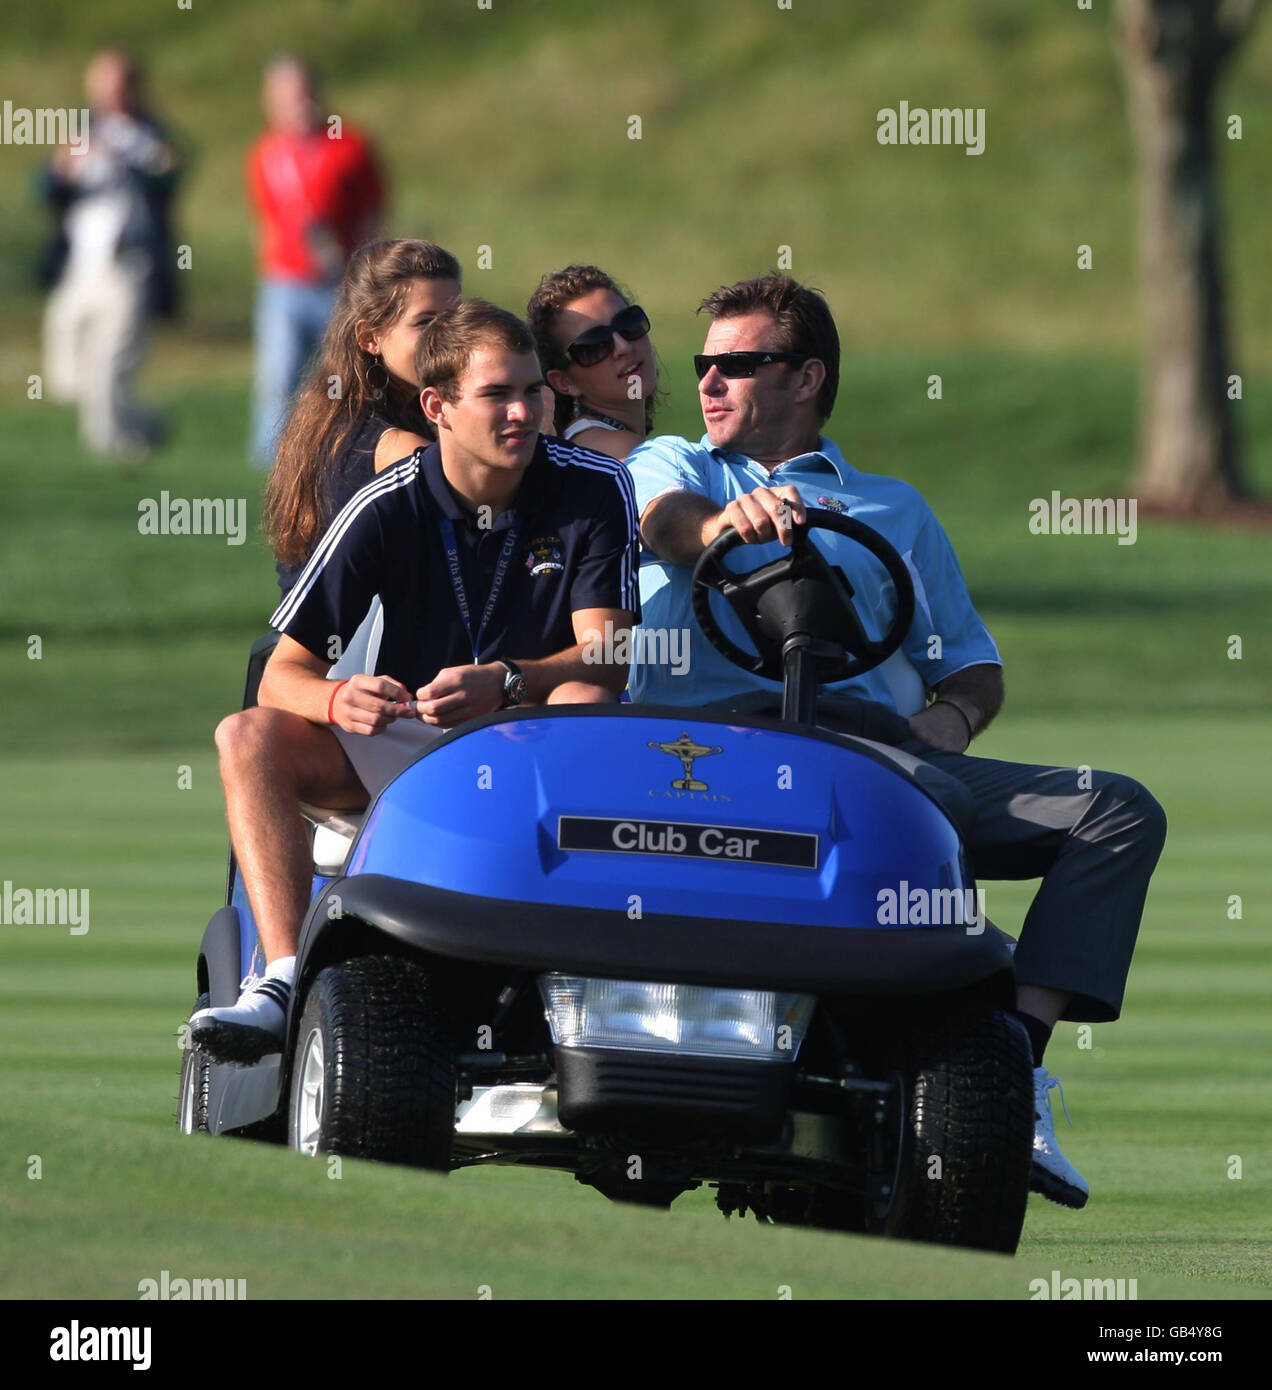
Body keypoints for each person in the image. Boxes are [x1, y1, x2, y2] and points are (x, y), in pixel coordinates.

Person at [624, 273, 1167, 1211]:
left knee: (1114, 809)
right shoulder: (675, 464)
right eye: (704, 365)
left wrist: (952, 717)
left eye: (738, 365)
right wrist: (723, 526)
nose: (708, 384)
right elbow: (665, 525)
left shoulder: (895, 509)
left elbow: (970, 663)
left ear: (807, 379)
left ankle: (1011, 1078)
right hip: (719, 751)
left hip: (878, 754)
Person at [191, 301, 640, 1061]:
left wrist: (506, 681)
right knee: (247, 735)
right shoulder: (387, 502)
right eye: (498, 394)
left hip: (533, 735)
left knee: (585, 698)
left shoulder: (594, 485)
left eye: (533, 391)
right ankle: (281, 980)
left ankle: (580, 975)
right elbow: (280, 674)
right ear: (438, 407)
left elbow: (613, 653)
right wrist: (338, 696)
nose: (525, 412)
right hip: (412, 740)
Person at [265, 238, 462, 593]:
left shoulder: (326, 415)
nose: (449, 339)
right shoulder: (394, 447)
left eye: (455, 320)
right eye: (426, 323)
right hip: (360, 647)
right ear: (370, 337)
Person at [40, 47, 180, 459]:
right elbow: (47, 191)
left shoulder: (149, 133)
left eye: (119, 83)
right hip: (82, 266)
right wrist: (59, 171)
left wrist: (142, 163)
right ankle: (145, 423)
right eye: (103, 82)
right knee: (65, 374)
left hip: (129, 265)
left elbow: (171, 177)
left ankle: (115, 448)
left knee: (109, 365)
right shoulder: (83, 131)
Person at [246, 55, 385, 467]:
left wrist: (363, 271)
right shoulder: (266, 152)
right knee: (278, 375)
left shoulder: (350, 145)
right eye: (286, 96)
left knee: (341, 374)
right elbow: (266, 216)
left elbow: (374, 212)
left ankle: (340, 451)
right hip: (284, 280)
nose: (298, 103)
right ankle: (273, 462)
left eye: (303, 92)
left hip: (338, 281)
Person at [527, 265, 660, 461]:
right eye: (594, 345)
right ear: (564, 382)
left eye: (628, 324)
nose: (623, 347)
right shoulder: (622, 451)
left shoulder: (587, 439)